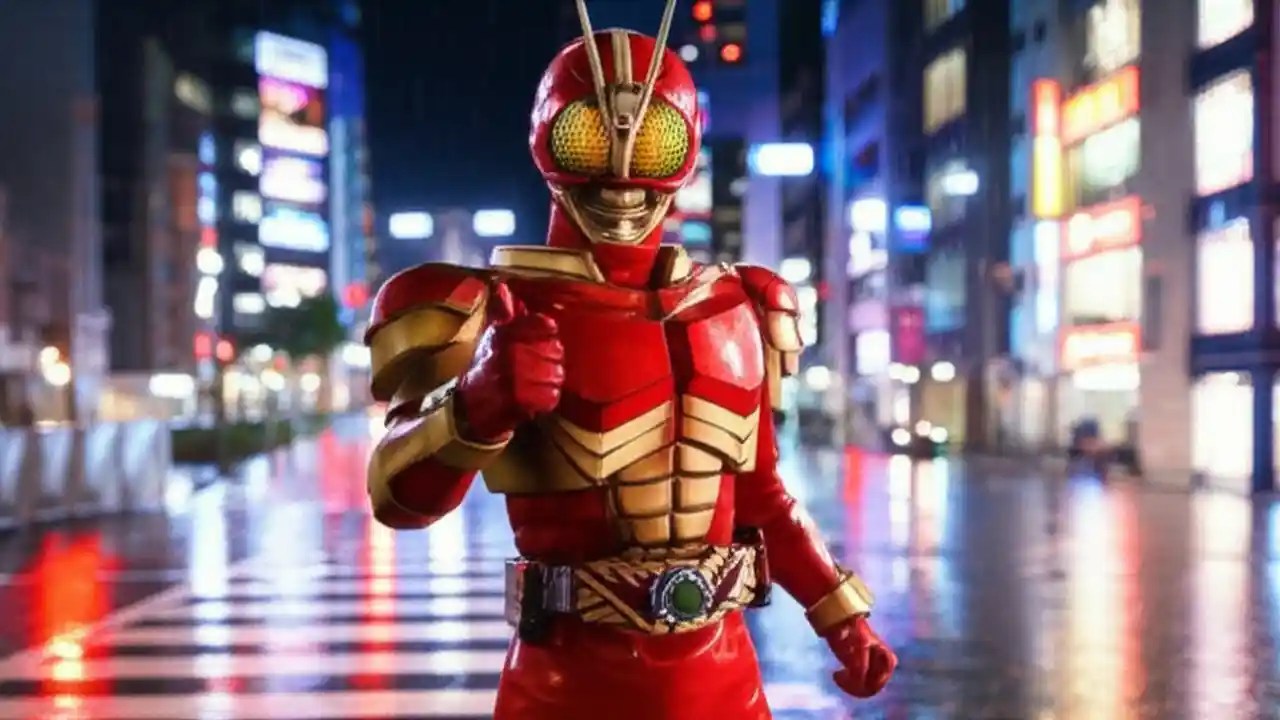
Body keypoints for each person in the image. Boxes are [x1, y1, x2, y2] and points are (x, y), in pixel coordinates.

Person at [363, 2, 896, 717]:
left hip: (726, 680)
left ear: (687, 149)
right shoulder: (479, 307)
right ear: (543, 140)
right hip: (565, 683)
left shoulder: (739, 305)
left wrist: (843, 615)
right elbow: (394, 496)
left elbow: (763, 497)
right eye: (587, 137)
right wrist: (476, 407)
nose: (620, 177)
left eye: (653, 143)